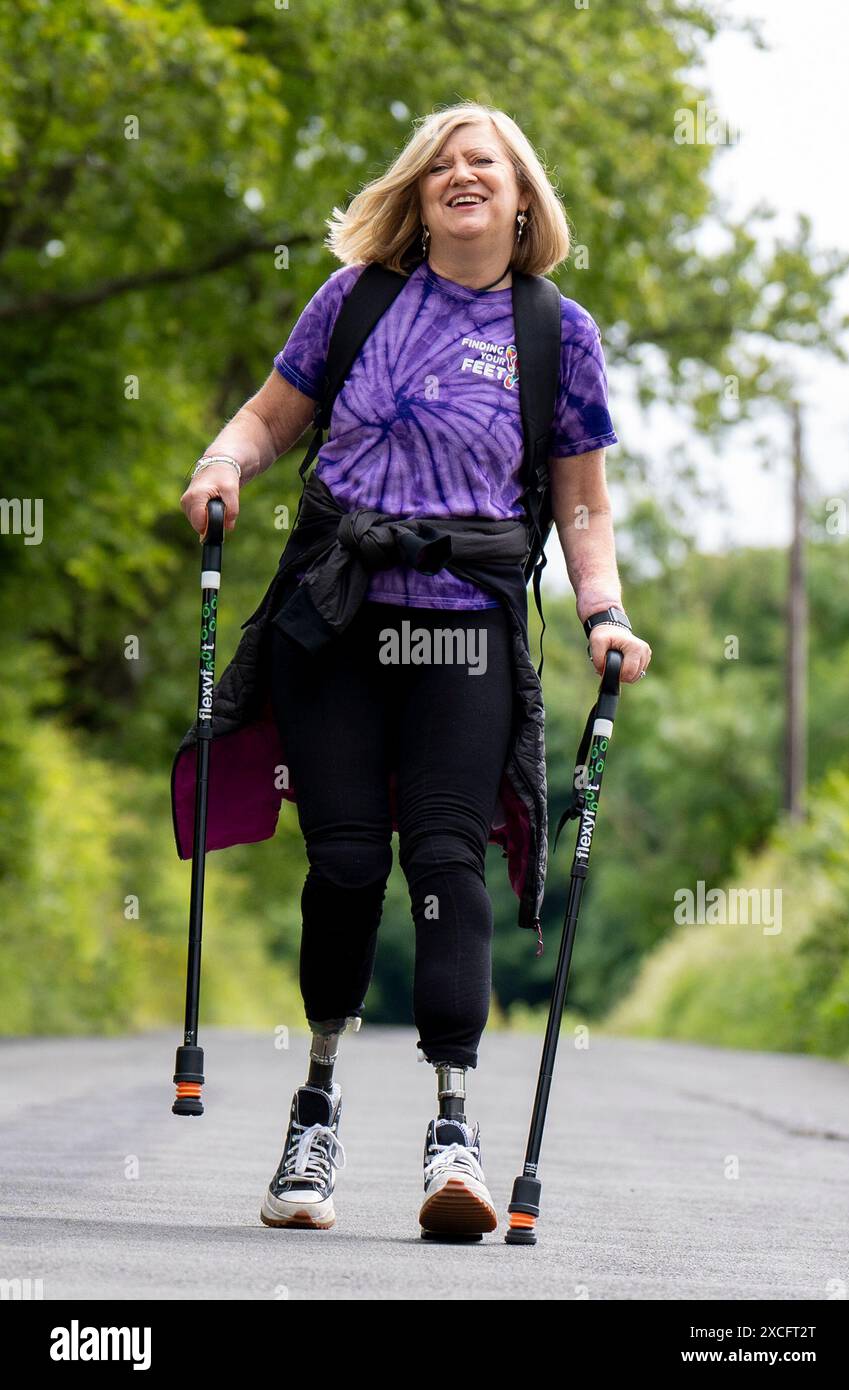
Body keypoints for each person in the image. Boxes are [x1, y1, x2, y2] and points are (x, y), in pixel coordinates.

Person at [179, 102, 651, 1238]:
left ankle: (453, 1132)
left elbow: (581, 502)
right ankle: (317, 1111)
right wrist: (220, 463)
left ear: (521, 192)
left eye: (480, 161)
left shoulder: (556, 333)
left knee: (446, 858)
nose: (459, 176)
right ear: (417, 192)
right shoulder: (355, 300)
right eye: (439, 164)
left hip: (462, 631)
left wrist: (605, 614)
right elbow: (269, 417)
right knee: (344, 862)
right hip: (334, 621)